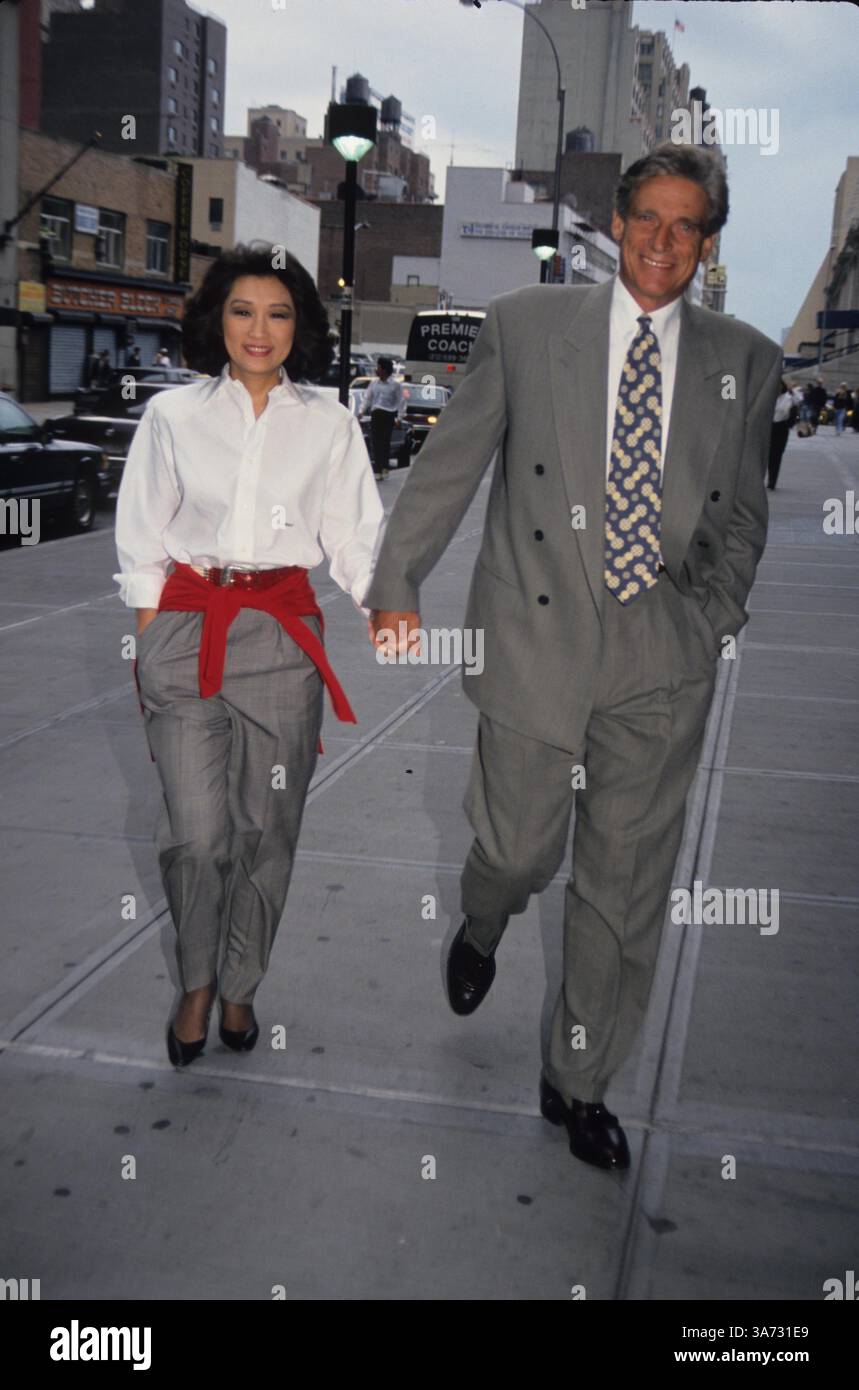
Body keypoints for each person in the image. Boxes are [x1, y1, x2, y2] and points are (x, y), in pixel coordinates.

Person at [364, 142, 782, 1172]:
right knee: (516, 850)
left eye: (687, 225)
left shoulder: (742, 361)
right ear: (619, 222)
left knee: (622, 889)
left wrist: (708, 621)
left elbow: (739, 516)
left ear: (706, 242)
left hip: (658, 655)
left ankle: (578, 1077)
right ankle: (480, 917)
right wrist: (396, 578)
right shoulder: (525, 325)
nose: (663, 241)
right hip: (538, 637)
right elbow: (450, 461)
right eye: (648, 217)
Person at [112, 243, 384, 1068]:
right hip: (188, 627)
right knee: (197, 837)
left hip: (279, 638)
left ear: (297, 326)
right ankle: (196, 980)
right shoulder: (172, 417)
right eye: (241, 310)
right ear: (215, 320)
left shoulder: (330, 424)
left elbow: (354, 536)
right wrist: (150, 639)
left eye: (276, 313)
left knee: (266, 830)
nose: (257, 330)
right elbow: (142, 535)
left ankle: (240, 983)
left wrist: (387, 607)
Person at [359, 356, 405, 480]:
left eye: (378, 367)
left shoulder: (395, 385)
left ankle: (384, 466)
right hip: (376, 414)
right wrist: (361, 411)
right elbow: (368, 398)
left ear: (384, 369)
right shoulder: (374, 383)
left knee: (385, 442)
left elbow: (400, 401)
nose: (376, 370)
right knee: (376, 442)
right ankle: (378, 469)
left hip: (388, 415)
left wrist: (399, 418)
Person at [768, 378, 795, 490]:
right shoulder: (769, 398)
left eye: (780, 386)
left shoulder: (788, 398)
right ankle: (766, 477)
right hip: (769, 428)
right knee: (768, 455)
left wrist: (791, 390)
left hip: (781, 428)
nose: (778, 388)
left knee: (777, 455)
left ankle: (772, 480)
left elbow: (798, 400)